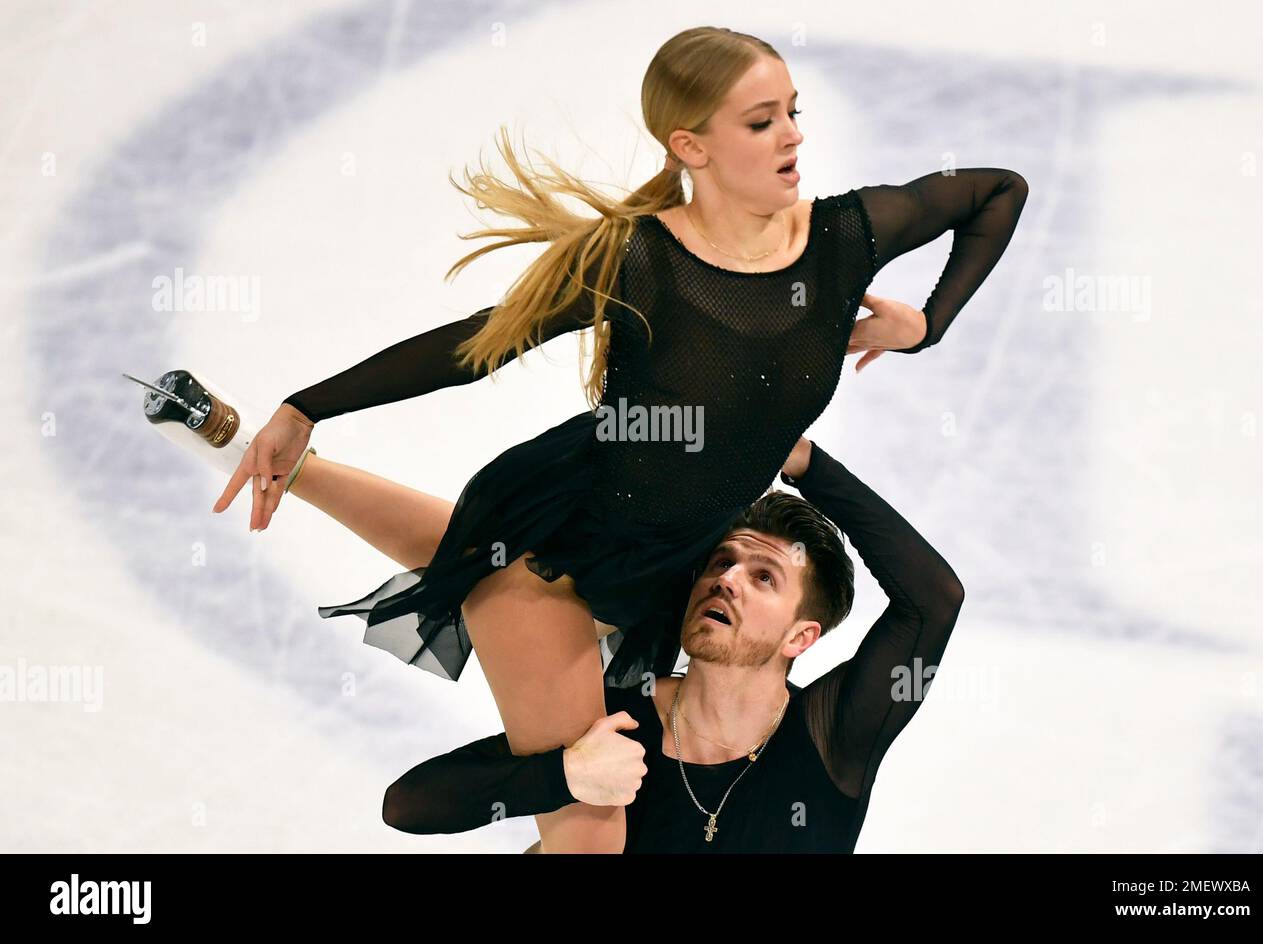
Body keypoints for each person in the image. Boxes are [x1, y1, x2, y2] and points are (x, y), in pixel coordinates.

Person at [210, 25, 1028, 853]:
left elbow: (998, 191)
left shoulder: (847, 237)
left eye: (792, 111)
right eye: (760, 121)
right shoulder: (640, 262)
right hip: (575, 542)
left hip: (677, 554)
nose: (793, 136)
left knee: (465, 554)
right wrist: (309, 403)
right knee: (590, 835)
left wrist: (927, 323)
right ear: (691, 147)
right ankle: (276, 450)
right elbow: (479, 342)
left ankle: (255, 450)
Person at [373, 436, 962, 852]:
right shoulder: (617, 719)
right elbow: (408, 806)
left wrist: (804, 462)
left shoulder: (833, 734)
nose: (727, 578)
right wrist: (563, 775)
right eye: (722, 561)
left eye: (763, 577)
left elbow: (934, 600)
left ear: (800, 636)